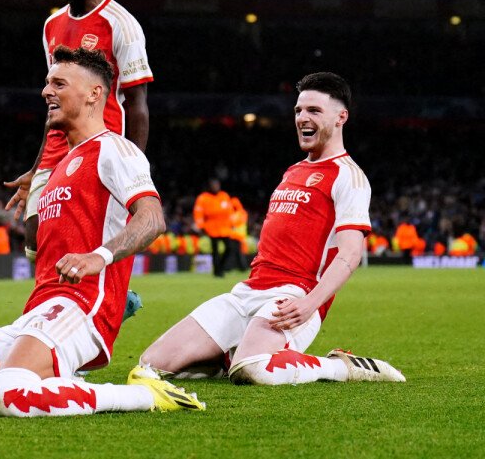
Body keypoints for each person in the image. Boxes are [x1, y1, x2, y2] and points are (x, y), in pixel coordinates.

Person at [0, 46, 203, 417]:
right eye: (46, 83)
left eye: (59, 83)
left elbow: (152, 219)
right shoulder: (61, 164)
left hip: (81, 309)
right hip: (38, 312)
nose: (46, 91)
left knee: (6, 397)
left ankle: (145, 396)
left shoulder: (114, 150)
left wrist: (99, 256)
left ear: (94, 94)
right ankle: (54, 384)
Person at [139, 72, 405, 385]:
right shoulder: (292, 171)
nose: (302, 118)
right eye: (298, 111)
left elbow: (351, 251)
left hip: (293, 297)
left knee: (253, 369)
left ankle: (342, 367)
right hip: (247, 293)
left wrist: (309, 304)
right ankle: (229, 356)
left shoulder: (348, 175)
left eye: (314, 111)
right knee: (150, 365)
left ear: (340, 118)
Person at [5, 0, 152, 260]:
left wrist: (135, 167)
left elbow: (137, 105)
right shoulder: (51, 26)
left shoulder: (121, 24)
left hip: (100, 149)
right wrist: (37, 166)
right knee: (34, 245)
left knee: (81, 245)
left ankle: (95, 303)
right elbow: (53, 102)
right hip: (56, 150)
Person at [193, 179, 234, 276]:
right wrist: (201, 226)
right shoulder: (203, 198)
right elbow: (198, 213)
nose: (216, 187)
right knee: (215, 250)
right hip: (211, 228)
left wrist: (232, 223)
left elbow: (230, 211)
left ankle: (221, 266)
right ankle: (217, 271)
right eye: (213, 185)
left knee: (229, 248)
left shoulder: (224, 196)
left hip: (224, 228)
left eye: (217, 185)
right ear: (209, 187)